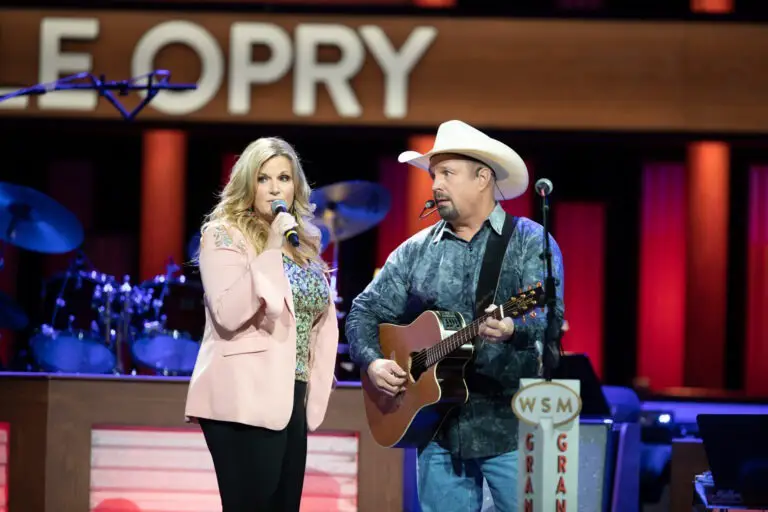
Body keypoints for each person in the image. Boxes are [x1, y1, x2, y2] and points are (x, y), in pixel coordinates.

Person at [345, 120, 565, 512]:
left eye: (447, 173)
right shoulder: (415, 250)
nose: (435, 185)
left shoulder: (530, 241)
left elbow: (549, 316)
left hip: (511, 426)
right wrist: (373, 360)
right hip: (437, 428)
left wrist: (515, 326)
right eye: (433, 175)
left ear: (483, 178)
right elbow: (364, 310)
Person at [184, 137, 339, 512]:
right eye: (263, 178)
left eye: (283, 178)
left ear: (295, 186)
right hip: (243, 396)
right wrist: (269, 249)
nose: (274, 188)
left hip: (291, 395)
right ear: (247, 184)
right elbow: (229, 312)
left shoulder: (302, 243)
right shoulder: (223, 235)